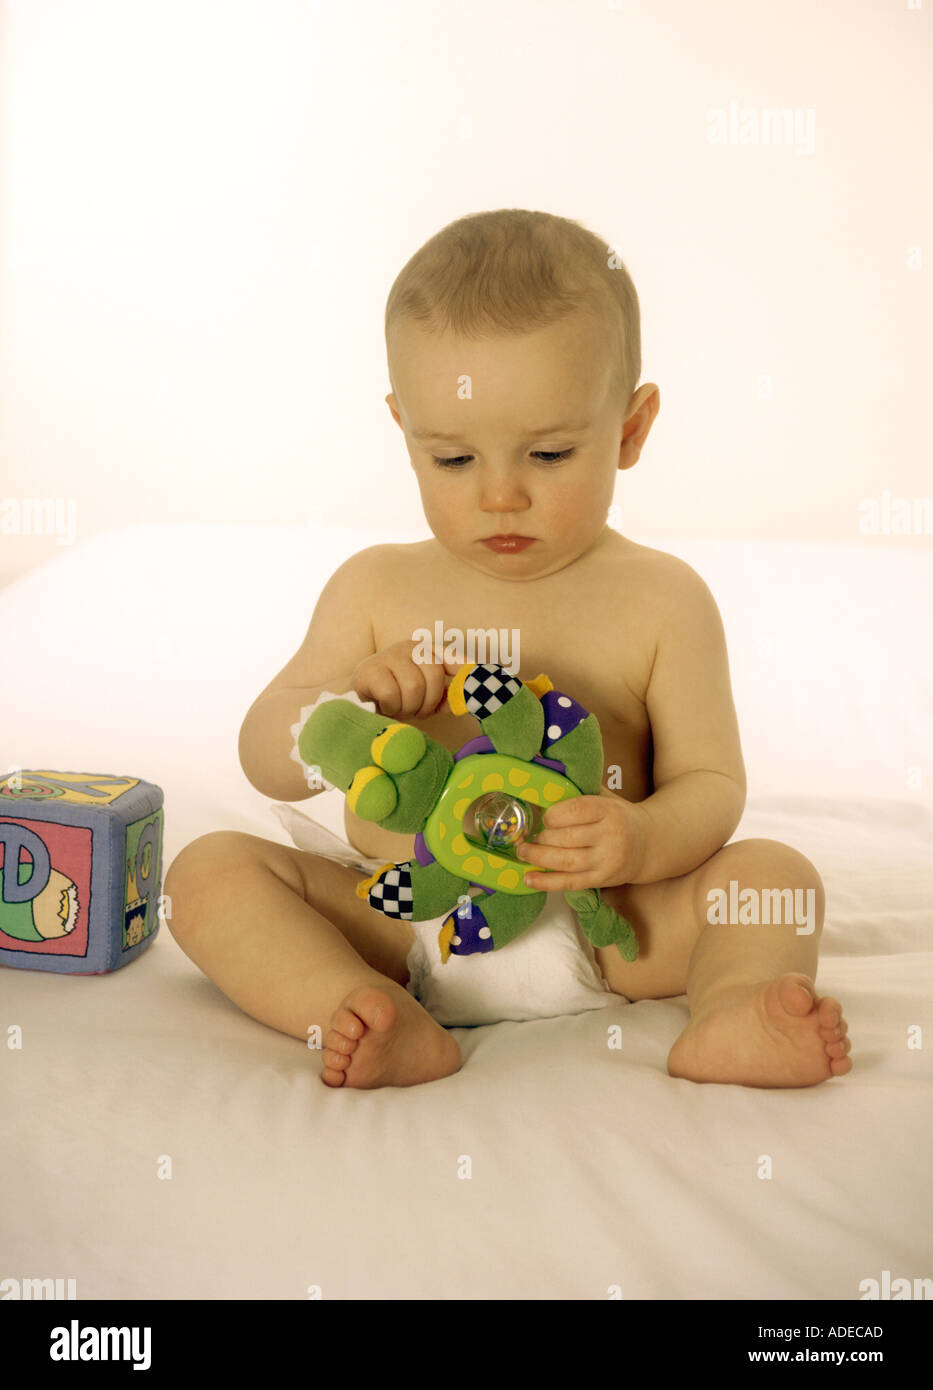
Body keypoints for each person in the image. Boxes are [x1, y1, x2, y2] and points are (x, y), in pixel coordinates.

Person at [164, 209, 852, 1091]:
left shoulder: (662, 599)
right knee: (208, 872)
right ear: (402, 429)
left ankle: (734, 1012)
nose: (500, 496)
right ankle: (354, 1006)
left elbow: (712, 785)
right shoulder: (372, 587)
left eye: (550, 452)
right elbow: (267, 758)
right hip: (402, 919)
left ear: (631, 431)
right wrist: (347, 698)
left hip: (611, 924)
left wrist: (639, 839)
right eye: (452, 460)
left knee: (773, 877)